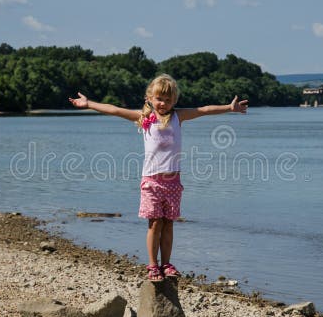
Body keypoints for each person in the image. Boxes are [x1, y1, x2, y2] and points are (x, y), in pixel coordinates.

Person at [68, 74, 249, 282]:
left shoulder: (178, 117)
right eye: (159, 99)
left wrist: (229, 107)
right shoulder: (144, 118)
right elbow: (115, 110)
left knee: (168, 224)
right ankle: (153, 265)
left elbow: (204, 110)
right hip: (152, 182)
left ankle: (167, 264)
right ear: (150, 98)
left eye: (168, 100)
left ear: (174, 101)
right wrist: (89, 103)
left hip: (173, 182)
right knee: (154, 224)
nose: (163, 103)